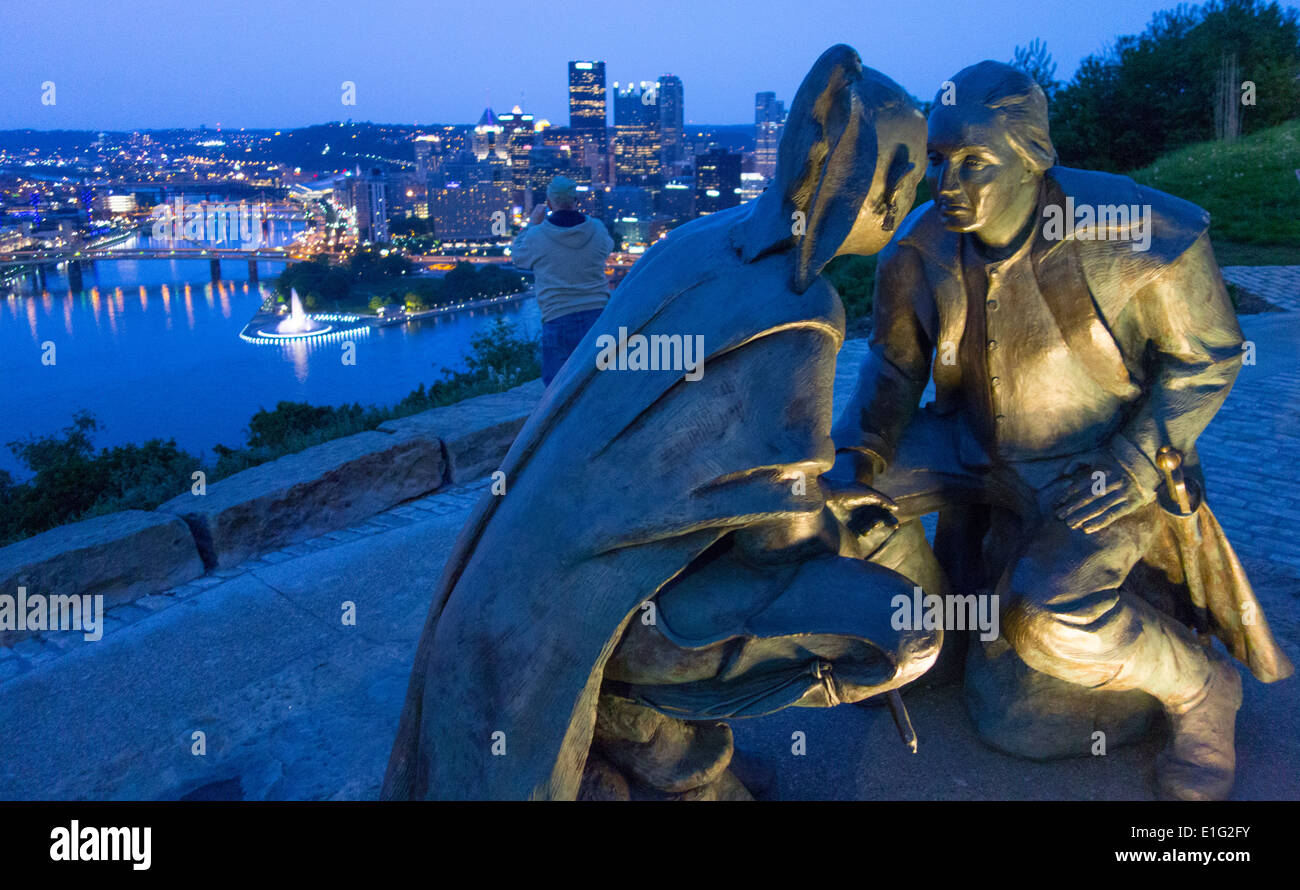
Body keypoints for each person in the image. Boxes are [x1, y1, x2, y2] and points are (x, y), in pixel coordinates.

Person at [381, 45, 934, 801]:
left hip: (509, 594)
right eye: (899, 167)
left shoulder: (700, 242)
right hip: (599, 614)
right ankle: (652, 719)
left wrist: (820, 500)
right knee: (907, 627)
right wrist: (843, 525)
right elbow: (781, 552)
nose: (912, 187)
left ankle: (666, 755)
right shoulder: (803, 314)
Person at [832, 60, 1292, 800]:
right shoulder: (919, 250)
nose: (946, 185)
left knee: (1049, 615)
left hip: (1093, 460)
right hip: (968, 445)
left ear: (1033, 158)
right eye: (939, 161)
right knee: (834, 501)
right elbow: (891, 369)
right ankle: (933, 639)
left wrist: (1136, 463)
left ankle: (1201, 690)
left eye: (974, 164)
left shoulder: (1136, 231)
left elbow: (1206, 357)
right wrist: (857, 455)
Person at [511, 176, 614, 385]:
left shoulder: (536, 236)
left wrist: (531, 224)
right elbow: (607, 248)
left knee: (557, 391)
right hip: (599, 316)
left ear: (548, 204)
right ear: (576, 200)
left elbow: (518, 258)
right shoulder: (597, 228)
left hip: (558, 317)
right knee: (600, 385)